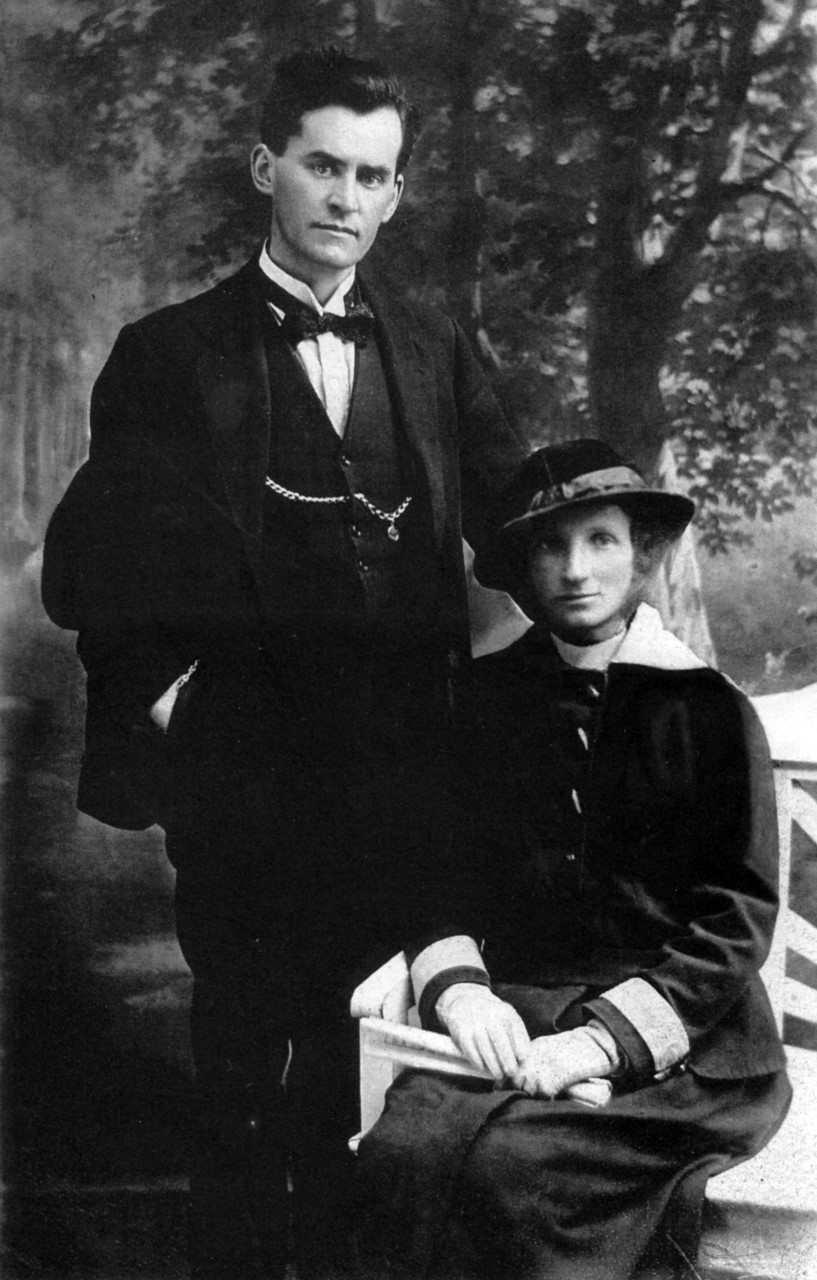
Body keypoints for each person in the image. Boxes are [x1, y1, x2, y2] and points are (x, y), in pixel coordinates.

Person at [40, 46, 525, 1280]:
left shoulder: (433, 347)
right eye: (322, 165)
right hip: (245, 769)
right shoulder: (168, 353)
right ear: (268, 168)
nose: (344, 196)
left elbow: (522, 522)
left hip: (406, 765)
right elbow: (95, 567)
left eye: (371, 175)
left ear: (396, 193)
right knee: (247, 1061)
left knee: (373, 1054)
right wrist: (170, 701)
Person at [351, 439, 791, 1280]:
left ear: (642, 557)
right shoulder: (483, 702)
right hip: (517, 1019)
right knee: (405, 1153)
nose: (576, 569)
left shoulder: (703, 708)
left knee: (517, 1172)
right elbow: (437, 874)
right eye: (550, 546)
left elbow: (736, 918)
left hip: (683, 1040)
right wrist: (459, 990)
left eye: (600, 541)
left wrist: (601, 1044)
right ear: (523, 570)